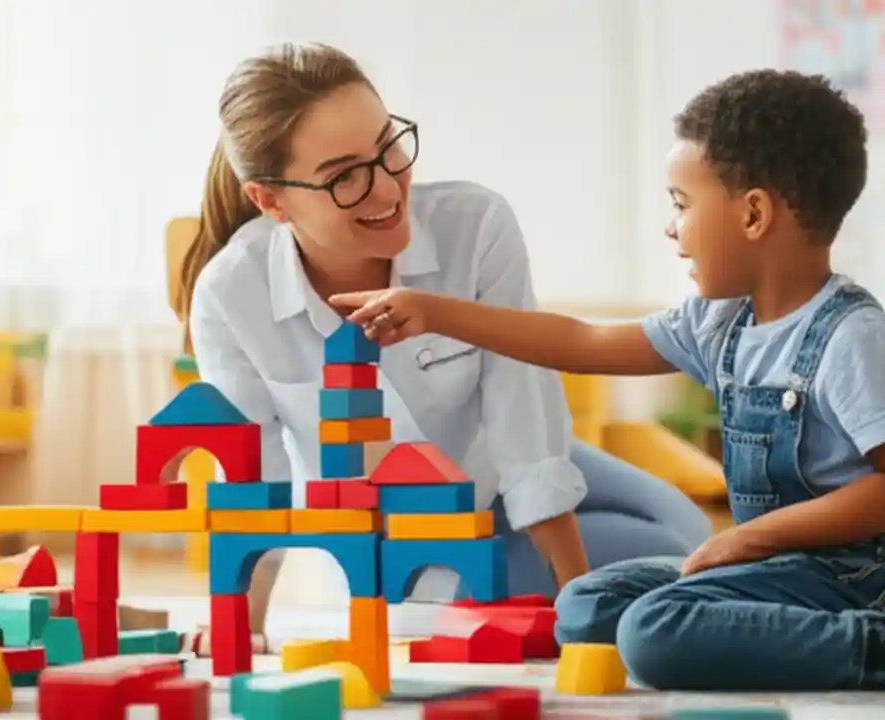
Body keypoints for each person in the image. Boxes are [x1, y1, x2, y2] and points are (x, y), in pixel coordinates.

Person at [329, 69, 885, 691]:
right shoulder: (720, 322)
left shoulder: (856, 339)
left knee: (653, 634)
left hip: (872, 575)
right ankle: (790, 625)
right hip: (786, 565)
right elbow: (579, 340)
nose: (669, 229)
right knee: (584, 606)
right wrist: (433, 312)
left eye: (681, 206)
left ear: (752, 214)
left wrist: (745, 543)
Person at [178, 42, 714, 652]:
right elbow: (259, 478)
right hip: (411, 544)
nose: (386, 189)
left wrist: (578, 602)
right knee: (675, 565)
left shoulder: (475, 225)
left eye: (388, 147)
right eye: (344, 176)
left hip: (501, 459)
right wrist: (243, 624)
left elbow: (522, 407)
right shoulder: (230, 294)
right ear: (271, 200)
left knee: (693, 535)